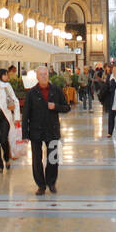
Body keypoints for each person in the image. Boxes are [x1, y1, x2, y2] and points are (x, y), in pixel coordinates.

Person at [21, 65, 68, 195]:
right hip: (36, 131)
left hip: (52, 130)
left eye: (45, 74)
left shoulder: (56, 90)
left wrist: (56, 106)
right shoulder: (31, 93)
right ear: (37, 76)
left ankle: (51, 182)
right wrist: (25, 134)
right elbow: (25, 115)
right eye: (41, 74)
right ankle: (41, 185)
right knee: (36, 160)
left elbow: (66, 107)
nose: (44, 76)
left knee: (53, 158)